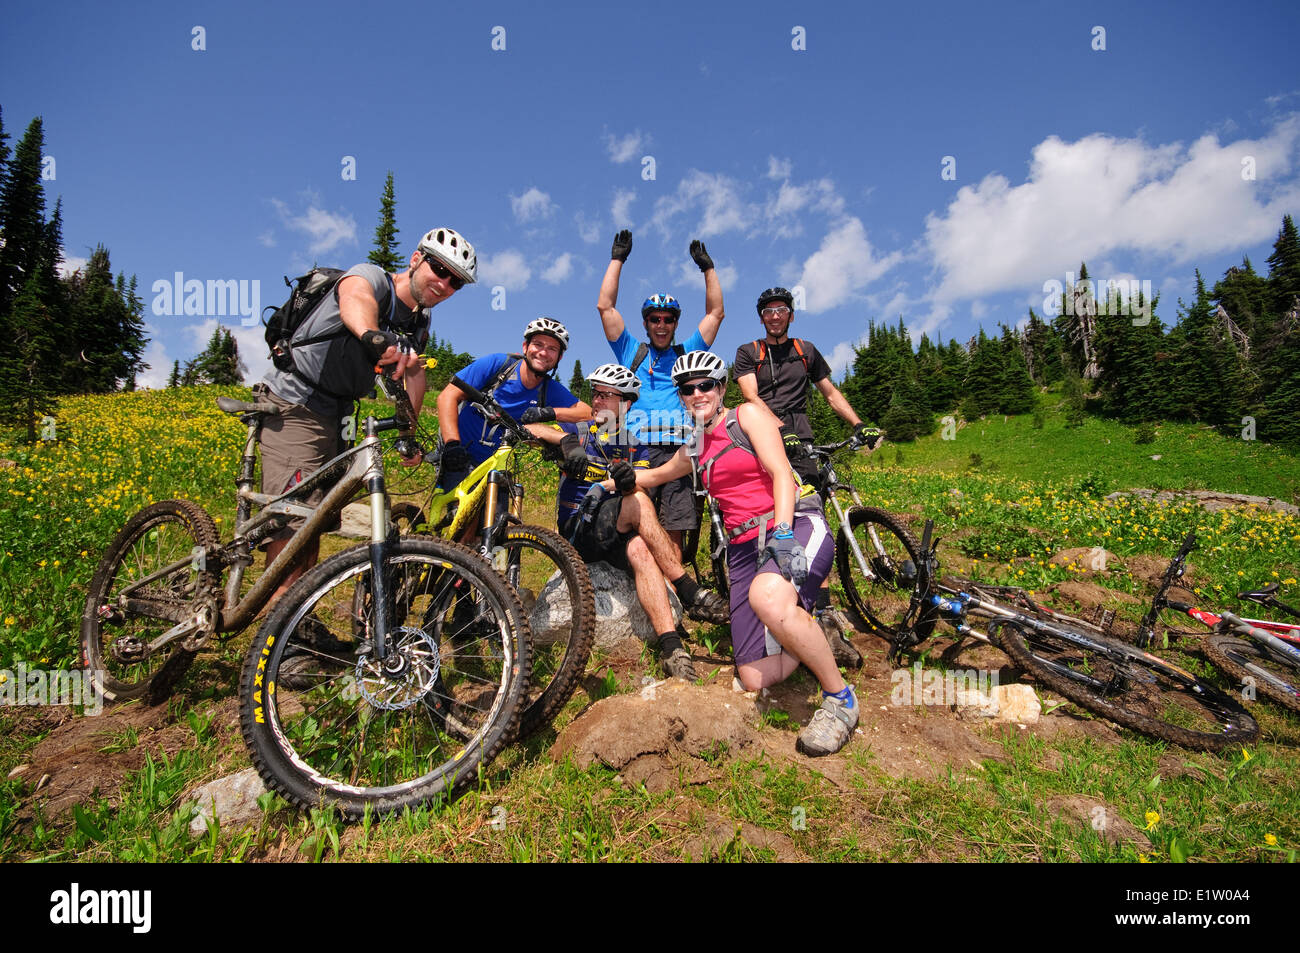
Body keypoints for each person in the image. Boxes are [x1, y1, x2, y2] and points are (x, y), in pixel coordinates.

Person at [633, 351, 859, 757]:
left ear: (721, 388)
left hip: (793, 522)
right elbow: (654, 475)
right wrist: (610, 478)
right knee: (755, 676)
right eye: (688, 389)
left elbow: (780, 475)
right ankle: (806, 632)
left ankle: (840, 698)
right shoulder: (696, 446)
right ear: (681, 397)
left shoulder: (747, 417)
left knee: (766, 598)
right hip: (741, 547)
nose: (697, 393)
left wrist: (785, 534)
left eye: (706, 385)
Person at [256, 226, 476, 603]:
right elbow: (353, 296)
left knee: (316, 525)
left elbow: (415, 373)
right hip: (296, 402)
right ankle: (281, 640)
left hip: (340, 416)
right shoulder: (374, 279)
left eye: (456, 282)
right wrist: (370, 335)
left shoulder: (418, 322)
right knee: (293, 526)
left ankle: (292, 622)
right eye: (440, 270)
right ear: (416, 259)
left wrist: (407, 431)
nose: (445, 284)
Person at [527, 364, 729, 680]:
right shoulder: (580, 431)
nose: (596, 401)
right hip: (578, 528)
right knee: (636, 503)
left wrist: (627, 482)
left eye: (606, 396)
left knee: (640, 550)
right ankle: (686, 587)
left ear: (626, 404)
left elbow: (644, 487)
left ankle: (671, 647)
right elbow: (531, 431)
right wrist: (563, 442)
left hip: (614, 531)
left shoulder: (634, 444)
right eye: (595, 393)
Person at [733, 287, 883, 668]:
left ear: (791, 315)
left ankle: (822, 608)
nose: (775, 315)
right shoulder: (749, 352)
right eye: (768, 311)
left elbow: (830, 393)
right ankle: (771, 592)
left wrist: (859, 423)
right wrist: (778, 427)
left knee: (812, 514)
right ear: (761, 317)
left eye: (781, 310)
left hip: (804, 438)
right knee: (773, 510)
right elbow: (750, 396)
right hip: (763, 435)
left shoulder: (806, 350)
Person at [596, 229, 724, 564]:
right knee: (635, 517)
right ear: (646, 322)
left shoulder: (687, 352)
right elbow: (605, 307)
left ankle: (673, 591)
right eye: (655, 319)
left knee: (675, 524)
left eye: (668, 319)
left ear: (676, 323)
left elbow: (715, 315)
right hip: (636, 446)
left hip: (679, 449)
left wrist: (707, 269)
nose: (662, 325)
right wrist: (617, 259)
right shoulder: (631, 351)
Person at [434, 317, 591, 493]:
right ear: (525, 347)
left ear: (559, 357)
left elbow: (587, 412)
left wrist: (548, 412)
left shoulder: (548, 388)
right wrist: (452, 444)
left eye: (552, 348)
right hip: (459, 453)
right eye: (538, 344)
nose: (544, 353)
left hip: (496, 464)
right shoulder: (498, 364)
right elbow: (447, 396)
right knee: (461, 516)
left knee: (498, 518)